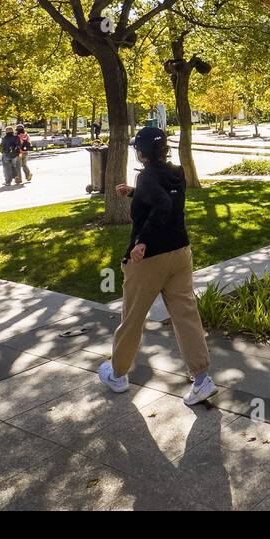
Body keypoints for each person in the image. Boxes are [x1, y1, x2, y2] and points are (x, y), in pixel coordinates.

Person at [98, 125, 216, 408]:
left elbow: (162, 203)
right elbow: (168, 198)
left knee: (132, 318)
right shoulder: (175, 173)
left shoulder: (148, 175)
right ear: (163, 149)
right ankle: (202, 380)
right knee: (185, 315)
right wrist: (135, 193)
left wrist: (141, 241)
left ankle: (117, 374)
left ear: (140, 153)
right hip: (180, 253)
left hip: (150, 260)